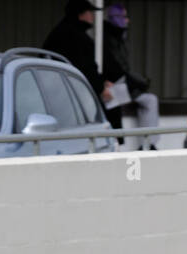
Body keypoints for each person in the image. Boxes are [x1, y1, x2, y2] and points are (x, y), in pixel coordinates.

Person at [102, 4, 160, 148]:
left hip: (118, 85)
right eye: (124, 17)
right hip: (107, 87)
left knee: (149, 99)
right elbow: (115, 69)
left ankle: (149, 144)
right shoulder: (105, 38)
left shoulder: (118, 37)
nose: (127, 21)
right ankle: (147, 145)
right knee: (147, 98)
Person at [42, 0, 111, 102]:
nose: (92, 16)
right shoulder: (77, 36)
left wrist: (103, 81)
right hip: (68, 93)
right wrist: (101, 88)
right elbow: (86, 67)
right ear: (80, 14)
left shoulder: (61, 31)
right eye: (90, 12)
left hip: (52, 90)